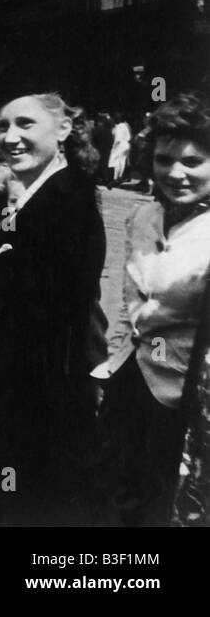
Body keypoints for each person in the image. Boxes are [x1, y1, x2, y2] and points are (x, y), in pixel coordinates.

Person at [0, 92, 107, 526]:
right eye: (2, 126)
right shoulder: (36, 196)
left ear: (63, 131)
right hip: (19, 400)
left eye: (25, 124)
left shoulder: (68, 203)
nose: (10, 137)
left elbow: (37, 317)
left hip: (40, 413)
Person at [103, 92, 210, 525]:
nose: (176, 173)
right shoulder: (142, 218)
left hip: (187, 405)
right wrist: (111, 366)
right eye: (165, 160)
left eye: (192, 162)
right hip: (132, 385)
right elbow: (131, 303)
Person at [110, 114, 132, 188]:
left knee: (116, 161)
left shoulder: (118, 127)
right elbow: (129, 137)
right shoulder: (125, 126)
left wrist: (114, 146)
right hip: (126, 144)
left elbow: (118, 139)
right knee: (122, 161)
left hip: (119, 145)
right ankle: (120, 176)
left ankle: (115, 178)